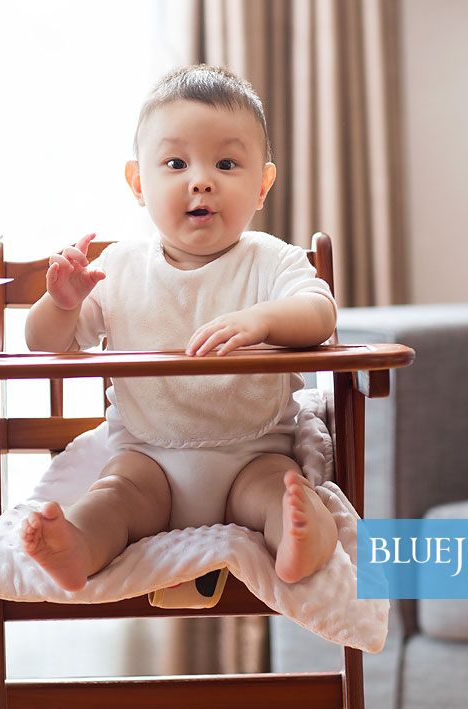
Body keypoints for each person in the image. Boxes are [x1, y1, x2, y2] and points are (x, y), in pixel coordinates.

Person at [22, 64, 339, 592]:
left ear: (262, 184)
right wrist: (60, 304)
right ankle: (75, 546)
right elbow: (44, 345)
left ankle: (301, 541)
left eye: (227, 162)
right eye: (175, 162)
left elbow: (319, 312)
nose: (201, 179)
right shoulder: (118, 268)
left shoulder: (270, 260)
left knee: (284, 495)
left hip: (253, 453)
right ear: (139, 183)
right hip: (148, 460)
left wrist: (261, 319)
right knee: (112, 497)